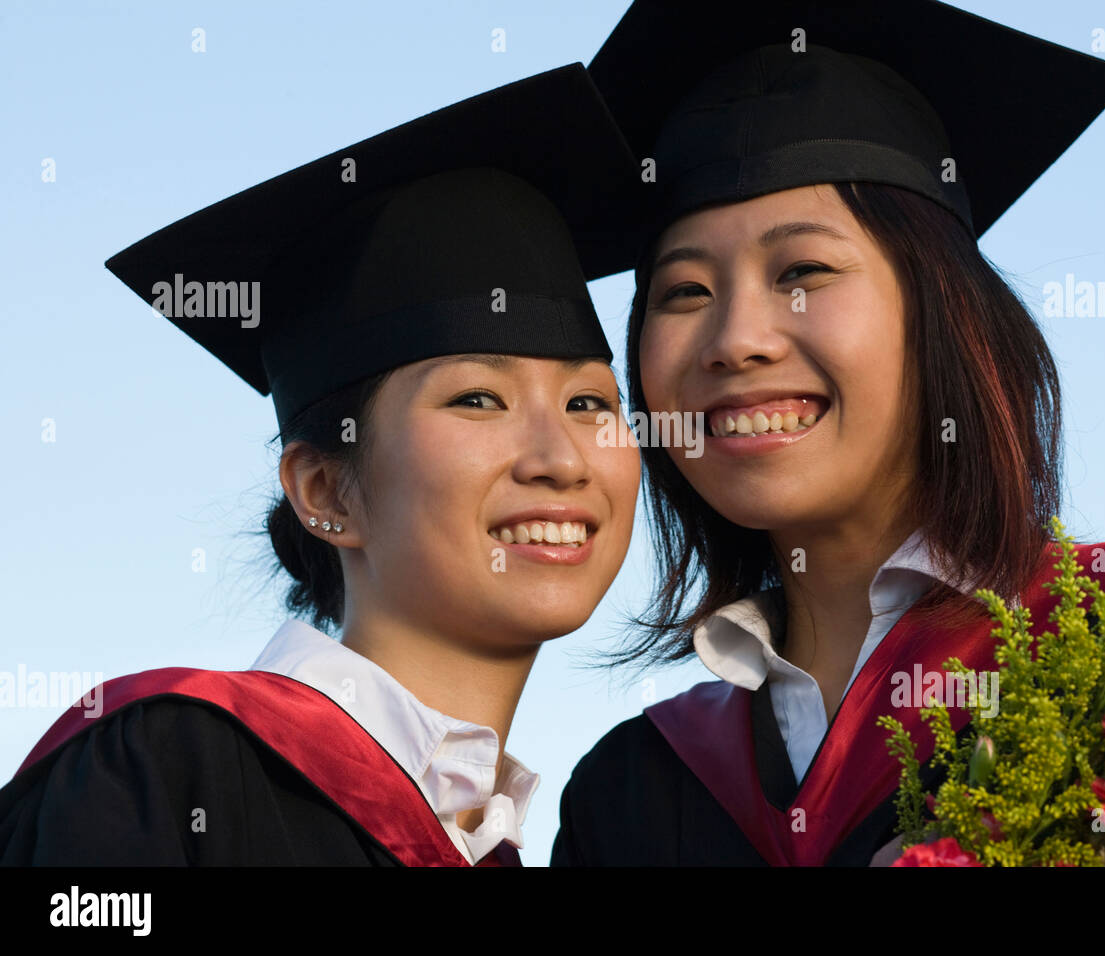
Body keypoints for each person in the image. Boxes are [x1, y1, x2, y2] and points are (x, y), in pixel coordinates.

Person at [550, 0, 1105, 866]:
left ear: (948, 315)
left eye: (803, 272)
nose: (735, 339)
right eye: (684, 291)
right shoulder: (635, 793)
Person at [0, 65, 643, 866]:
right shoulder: (171, 767)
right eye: (478, 399)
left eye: (590, 405)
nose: (562, 459)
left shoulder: (530, 842)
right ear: (323, 489)